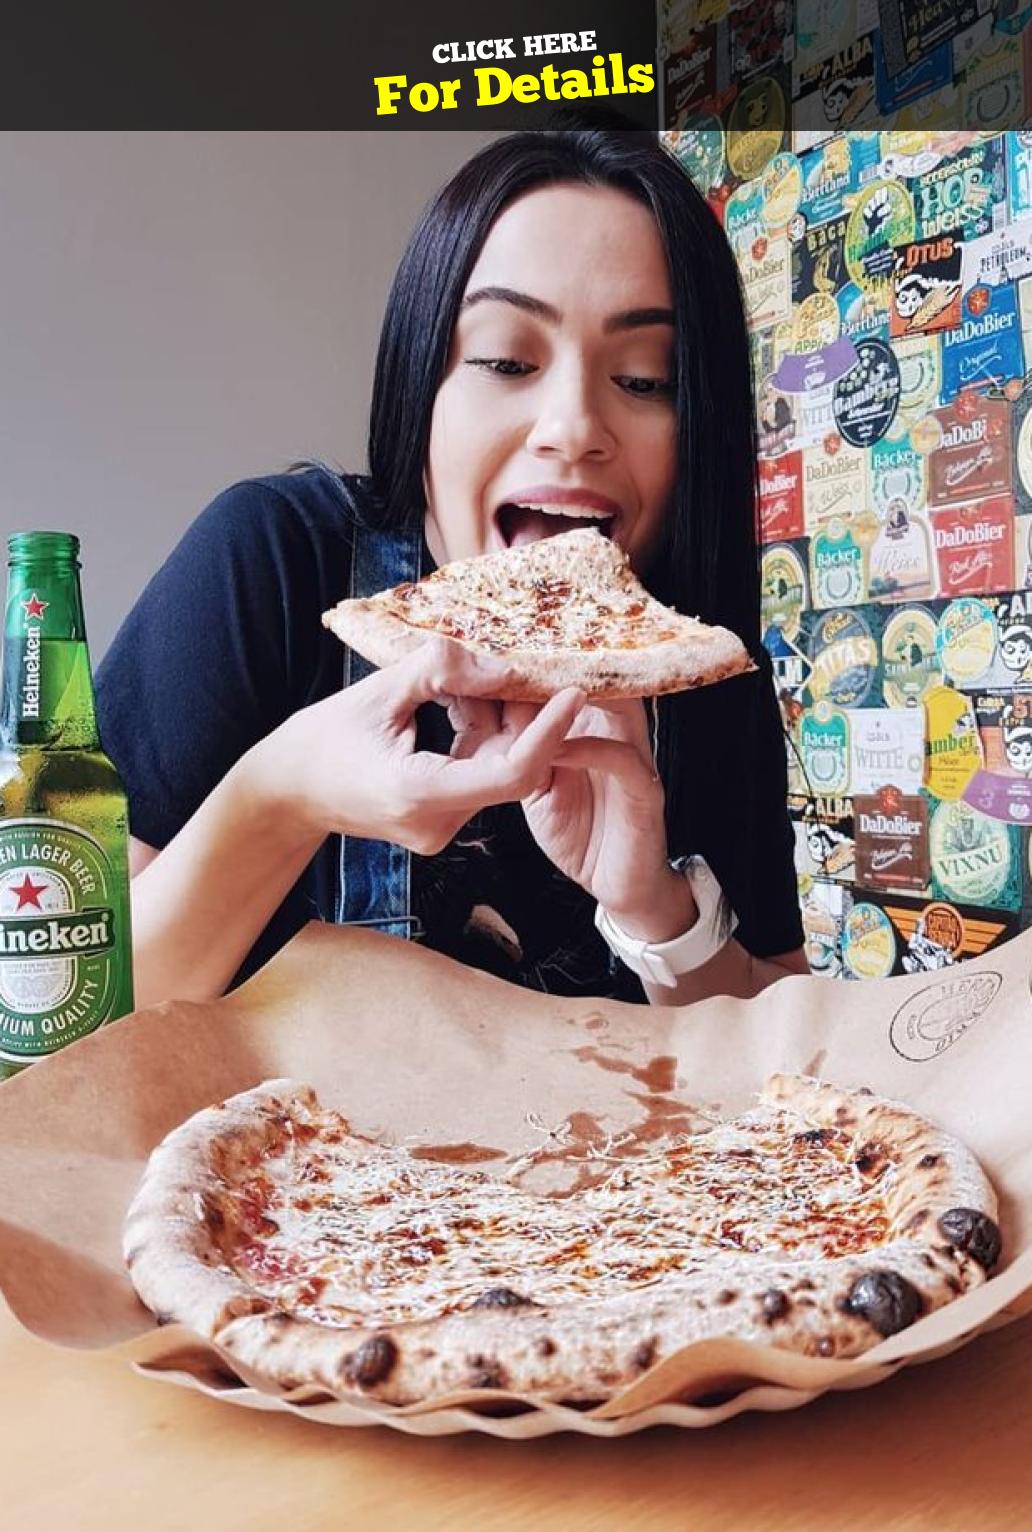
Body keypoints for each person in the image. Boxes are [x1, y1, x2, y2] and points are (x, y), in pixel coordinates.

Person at [96, 128, 807, 1011]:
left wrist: (654, 907)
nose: (574, 426)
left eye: (646, 378)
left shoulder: (700, 665)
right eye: (507, 360)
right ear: (419, 387)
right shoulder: (276, 562)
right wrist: (281, 797)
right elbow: (53, 1018)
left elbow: (778, 1051)